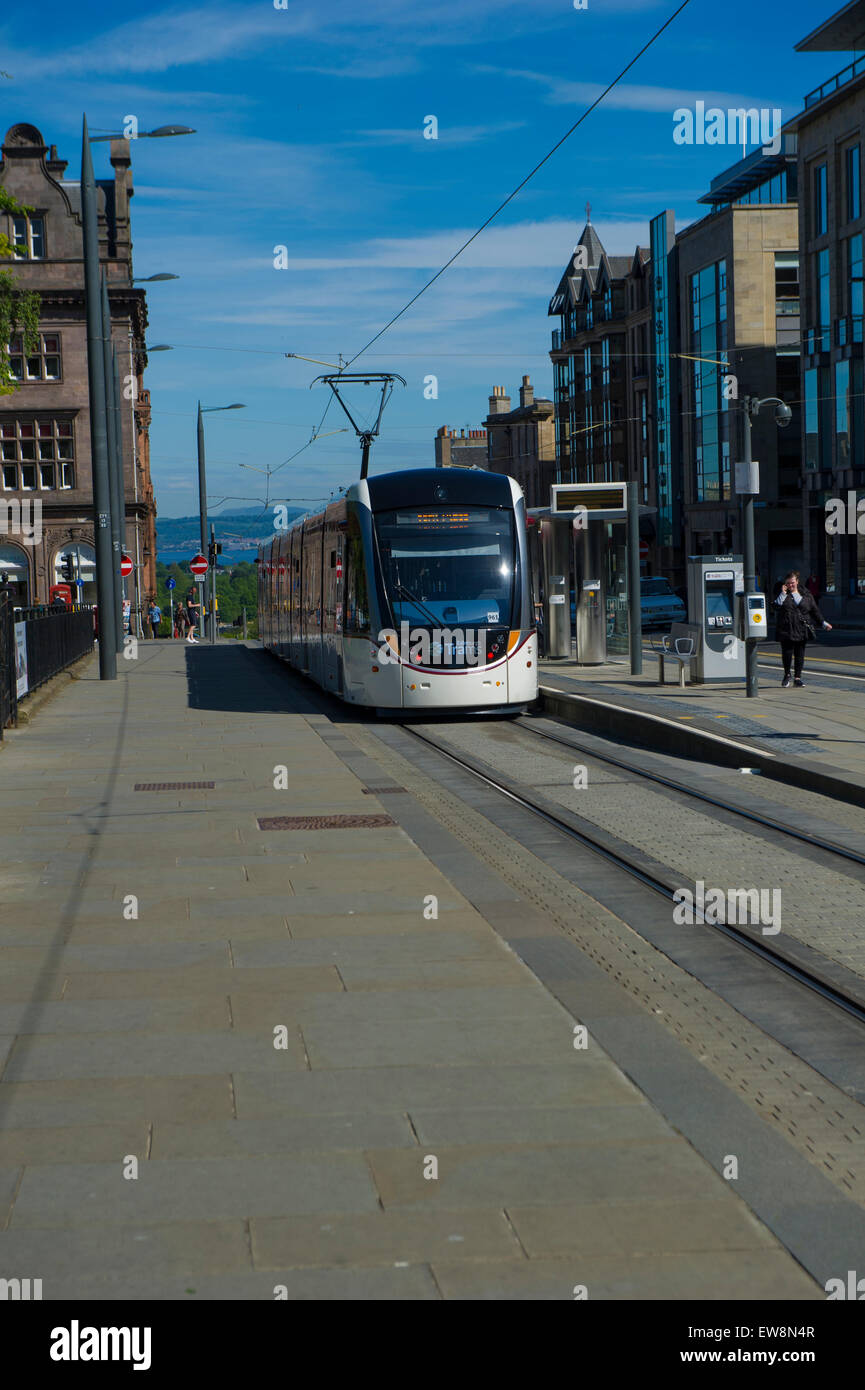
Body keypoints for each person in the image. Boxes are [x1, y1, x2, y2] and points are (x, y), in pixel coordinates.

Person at [773, 570, 832, 687]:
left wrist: (823, 623)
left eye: (792, 583)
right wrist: (783, 594)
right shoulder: (782, 593)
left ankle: (797, 678)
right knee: (787, 653)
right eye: (788, 583)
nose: (790, 585)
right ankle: (787, 675)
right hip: (786, 628)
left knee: (799, 654)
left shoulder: (805, 593)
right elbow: (775, 606)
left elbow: (814, 609)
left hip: (801, 628)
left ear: (797, 582)